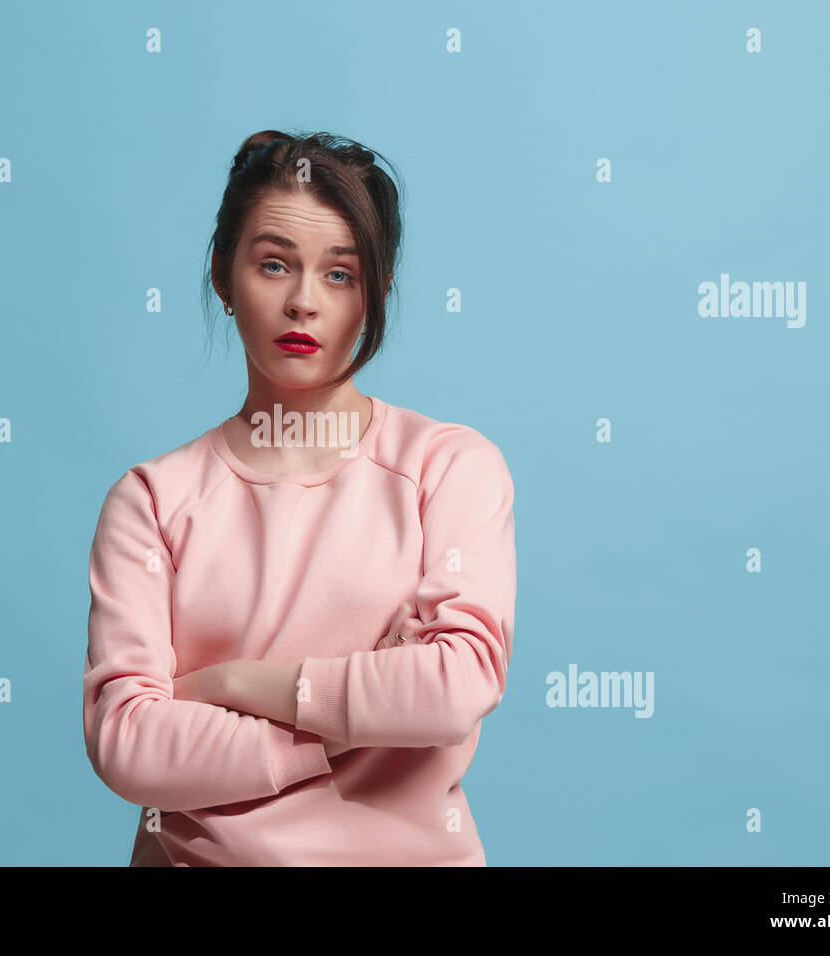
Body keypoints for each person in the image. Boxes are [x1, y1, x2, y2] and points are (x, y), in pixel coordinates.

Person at [82, 130, 517, 866]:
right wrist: (359, 715)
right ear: (223, 276)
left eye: (341, 275)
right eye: (274, 264)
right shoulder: (152, 501)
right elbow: (129, 746)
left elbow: (454, 685)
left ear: (377, 290)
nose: (303, 303)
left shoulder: (449, 468)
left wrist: (233, 684)